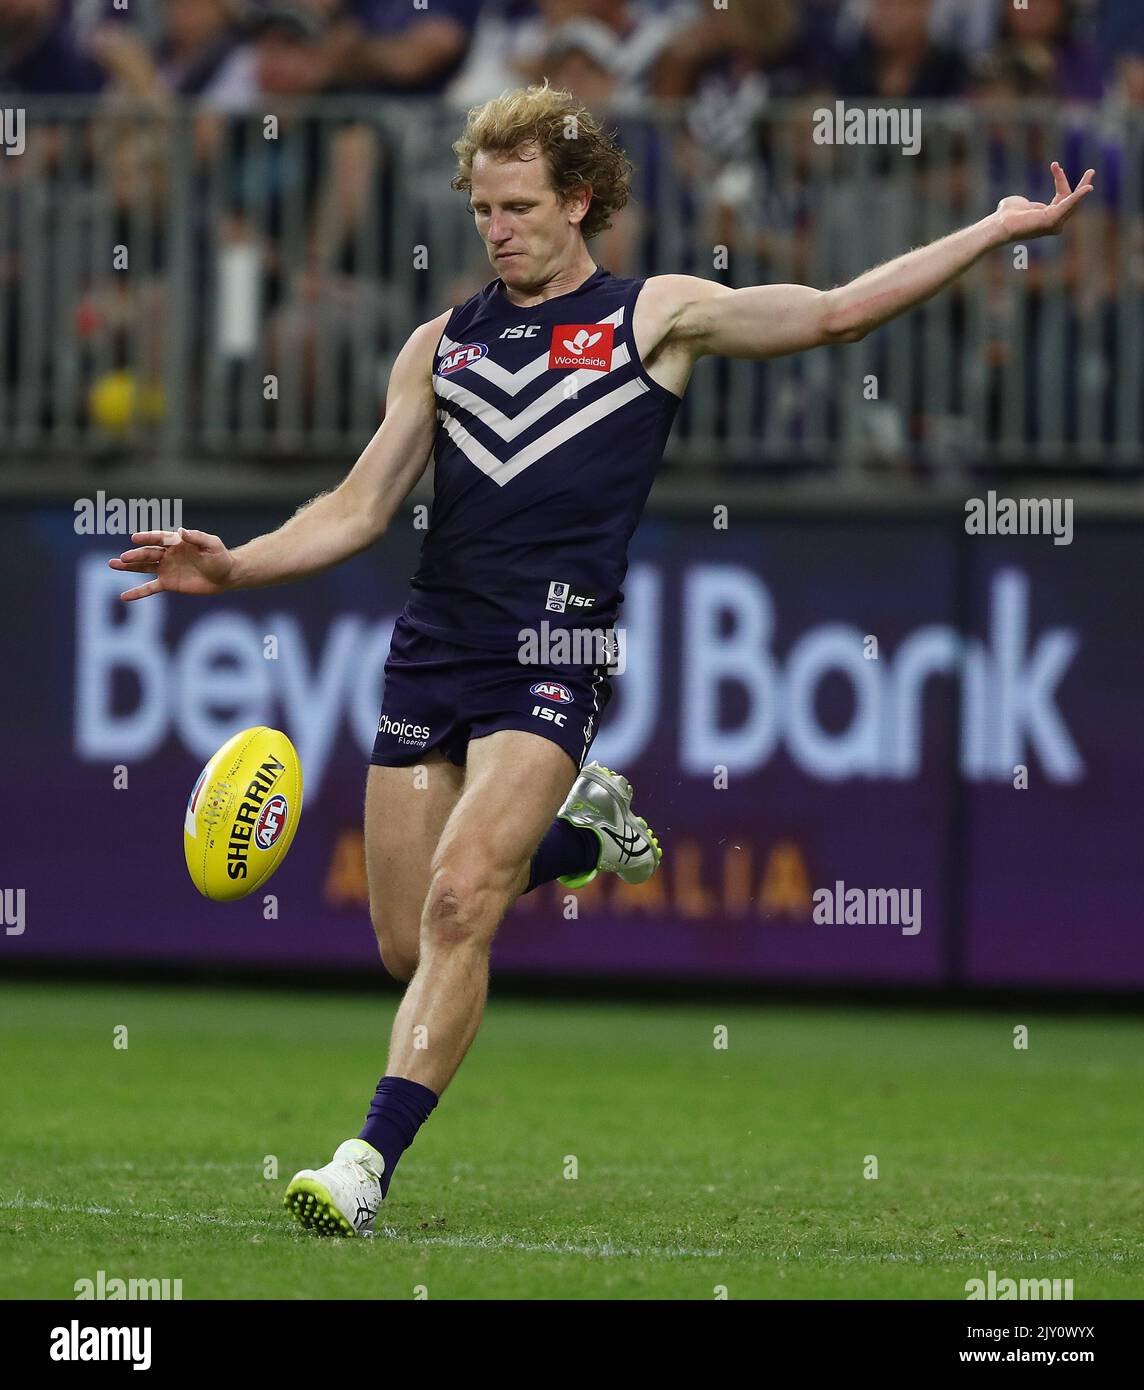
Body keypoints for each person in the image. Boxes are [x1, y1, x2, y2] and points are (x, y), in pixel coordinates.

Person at [109, 81, 1094, 1236]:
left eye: (519, 205)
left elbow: (833, 314)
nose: (496, 227)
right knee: (402, 938)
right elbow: (356, 508)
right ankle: (582, 839)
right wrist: (232, 568)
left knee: (462, 899)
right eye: (481, 208)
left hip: (554, 648)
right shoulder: (441, 345)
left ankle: (362, 1165)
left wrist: (992, 229)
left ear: (580, 201)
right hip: (434, 645)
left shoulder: (653, 318)